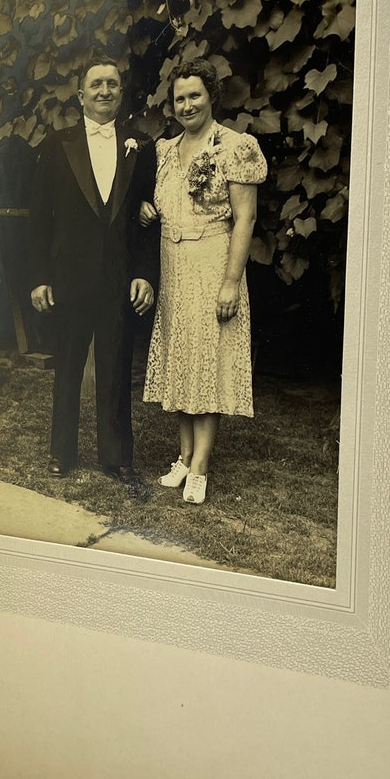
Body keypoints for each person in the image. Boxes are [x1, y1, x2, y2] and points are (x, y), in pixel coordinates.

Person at [28, 55, 157, 497]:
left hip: (118, 277)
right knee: (66, 365)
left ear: (122, 94)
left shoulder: (139, 146)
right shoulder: (57, 144)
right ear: (81, 95)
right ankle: (61, 453)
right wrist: (39, 277)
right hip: (69, 276)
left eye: (113, 85)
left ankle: (116, 457)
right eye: (96, 84)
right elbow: (38, 217)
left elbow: (147, 218)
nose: (105, 91)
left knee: (117, 366)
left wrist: (143, 274)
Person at [141, 58, 268, 505]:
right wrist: (147, 210)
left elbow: (245, 217)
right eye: (179, 97)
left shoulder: (236, 146)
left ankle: (200, 466)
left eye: (195, 95)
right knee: (181, 360)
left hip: (214, 263)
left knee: (207, 363)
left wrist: (232, 281)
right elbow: (161, 203)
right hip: (173, 268)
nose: (187, 104)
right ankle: (184, 454)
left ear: (212, 96)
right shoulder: (164, 151)